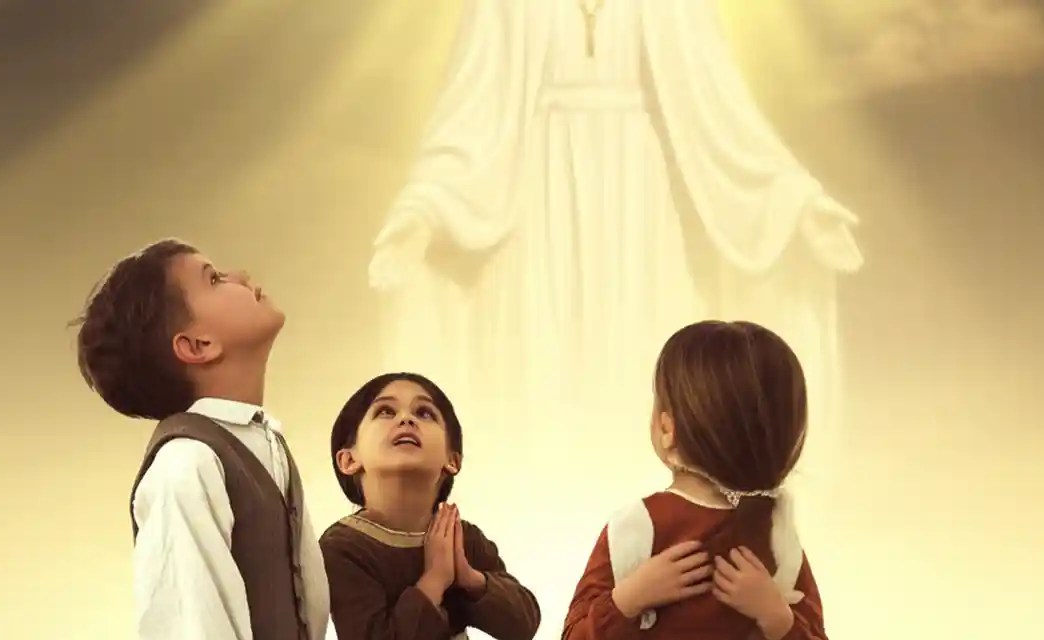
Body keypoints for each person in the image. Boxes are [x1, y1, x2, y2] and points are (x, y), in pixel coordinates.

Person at [366, 0, 862, 487]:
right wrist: (424, 207)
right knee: (544, 340)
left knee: (638, 330)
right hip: (538, 194)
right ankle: (542, 494)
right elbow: (471, 112)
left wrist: (795, 201)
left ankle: (652, 508)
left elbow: (721, 111)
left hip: (638, 191)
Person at [73, 239, 330, 640]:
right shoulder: (186, 464)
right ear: (196, 345)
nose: (241, 273)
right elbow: (193, 629)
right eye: (213, 278)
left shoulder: (266, 444)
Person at [553, 320, 834, 640]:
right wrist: (631, 598)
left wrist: (775, 616)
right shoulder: (639, 526)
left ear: (667, 429)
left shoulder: (776, 537)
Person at [307, 372, 542, 640]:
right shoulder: (343, 547)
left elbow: (524, 624)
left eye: (425, 413)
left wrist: (470, 578)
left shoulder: (462, 539)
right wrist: (433, 581)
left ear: (453, 460)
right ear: (348, 459)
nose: (406, 418)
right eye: (385, 412)